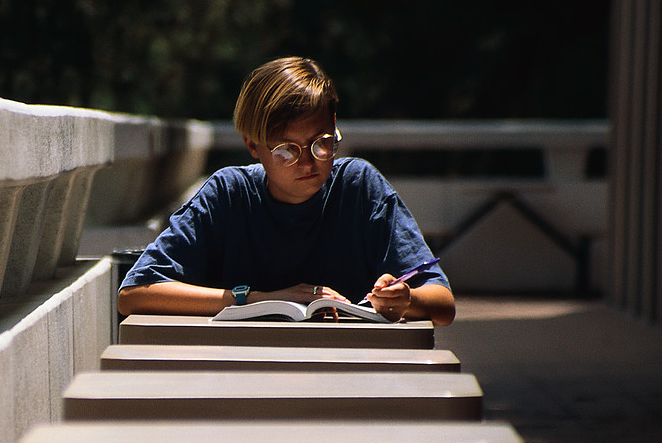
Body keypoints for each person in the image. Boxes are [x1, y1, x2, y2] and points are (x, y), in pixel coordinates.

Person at [117, 57, 456, 326]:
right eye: (286, 151)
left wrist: (405, 299)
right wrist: (258, 298)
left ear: (335, 124)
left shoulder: (359, 187)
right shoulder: (228, 194)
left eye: (322, 144)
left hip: (348, 371)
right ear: (253, 145)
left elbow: (443, 304)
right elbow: (134, 294)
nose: (308, 163)